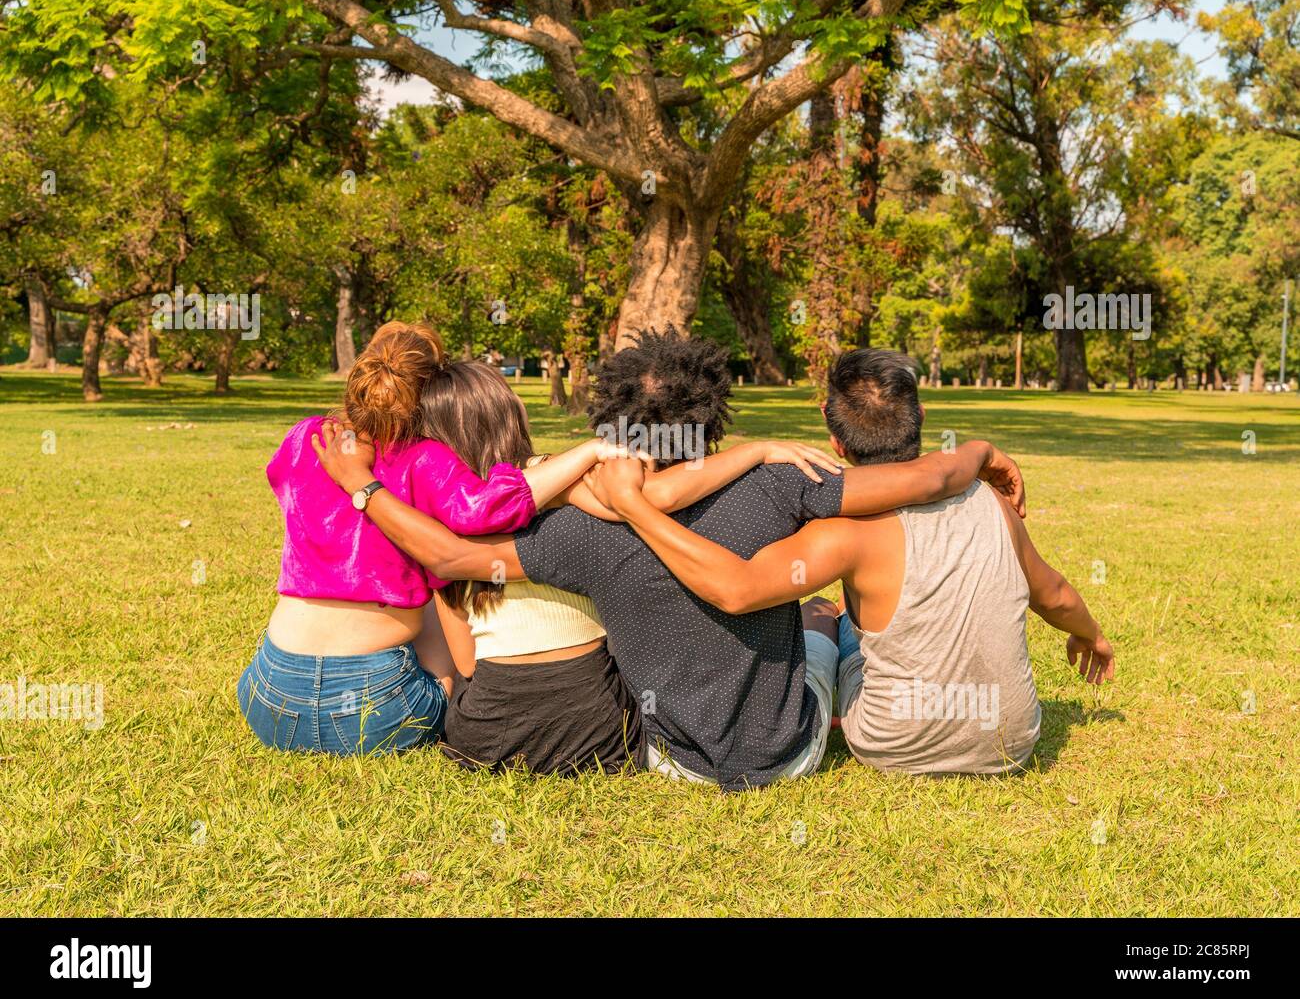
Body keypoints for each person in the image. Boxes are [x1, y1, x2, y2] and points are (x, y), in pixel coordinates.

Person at [311, 330, 1026, 789]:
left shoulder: (577, 529)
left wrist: (369, 490)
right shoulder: (781, 481)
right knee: (821, 614)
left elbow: (458, 556)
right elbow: (921, 480)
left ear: (609, 417)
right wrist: (978, 456)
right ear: (713, 415)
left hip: (675, 761)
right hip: (793, 750)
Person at [587, 348, 1114, 776]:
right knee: (845, 619)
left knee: (823, 617)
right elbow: (1056, 594)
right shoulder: (992, 502)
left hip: (892, 744)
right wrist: (1090, 635)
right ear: (921, 416)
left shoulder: (842, 531)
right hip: (1013, 740)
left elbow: (737, 590)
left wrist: (634, 506)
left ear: (831, 432)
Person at [412, 360, 843, 776]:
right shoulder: (562, 484)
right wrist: (756, 451)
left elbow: (467, 662)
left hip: (493, 738)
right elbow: (649, 497)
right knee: (821, 619)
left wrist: (366, 489)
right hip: (605, 734)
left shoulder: (451, 526)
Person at [240, 323, 627, 756]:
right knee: (433, 582)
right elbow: (483, 508)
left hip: (268, 698)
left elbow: (281, 481)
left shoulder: (305, 437)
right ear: (430, 394)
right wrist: (589, 452)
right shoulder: (423, 458)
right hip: (380, 709)